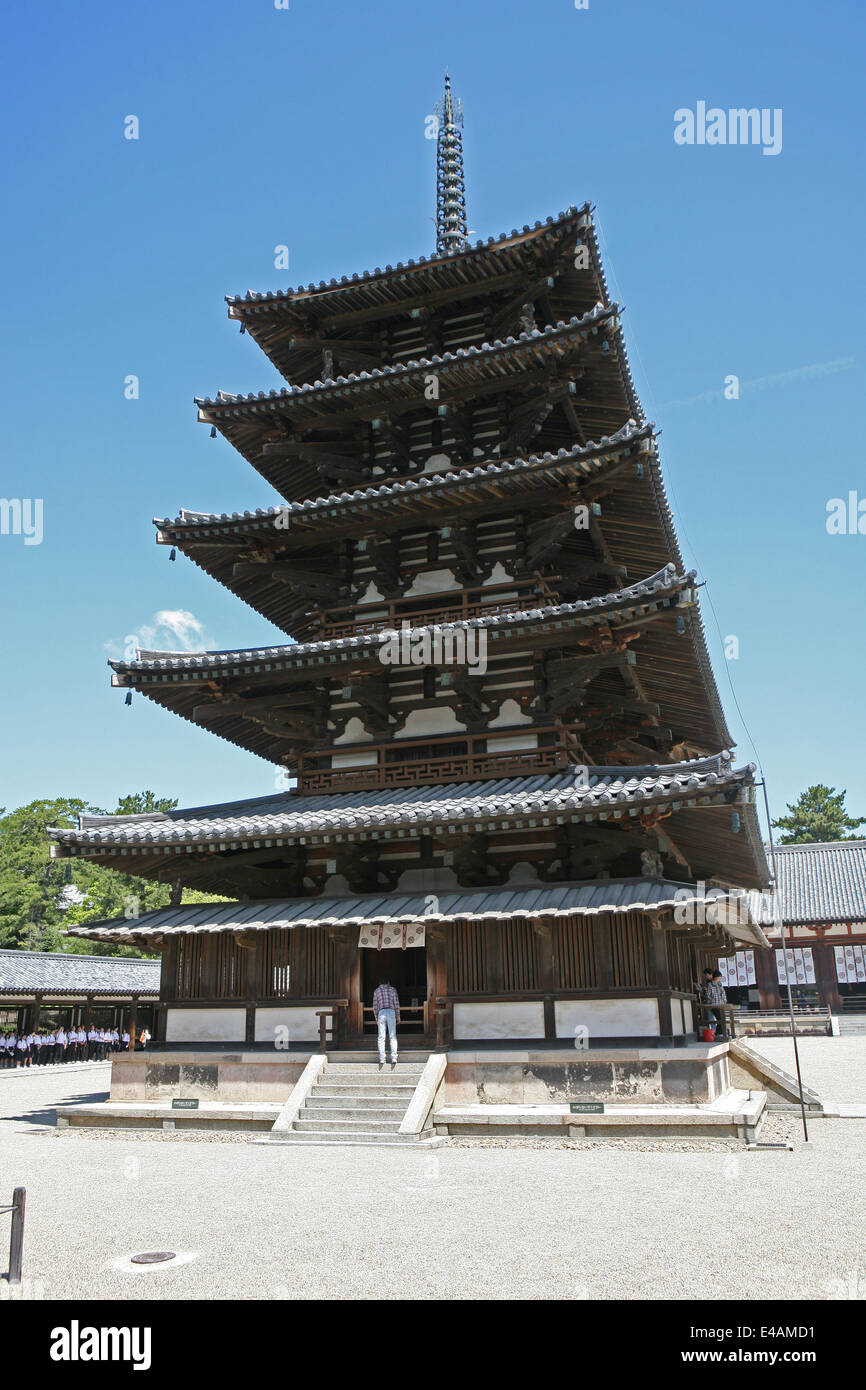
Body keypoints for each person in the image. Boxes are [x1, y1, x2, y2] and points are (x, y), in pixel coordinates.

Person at [372, 975, 400, 1070]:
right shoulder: (393, 990)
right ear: (388, 982)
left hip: (381, 1013)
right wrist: (398, 1015)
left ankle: (382, 1058)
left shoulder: (376, 991)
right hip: (391, 1012)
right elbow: (396, 1003)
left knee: (381, 1037)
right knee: (392, 1035)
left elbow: (375, 1006)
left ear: (379, 983)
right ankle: (394, 1057)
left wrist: (376, 1018)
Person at [703, 969, 728, 1040]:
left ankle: (719, 1033)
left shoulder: (720, 984)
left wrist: (724, 1000)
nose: (719, 979)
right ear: (715, 977)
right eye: (718, 978)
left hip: (720, 1004)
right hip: (714, 1005)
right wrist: (710, 999)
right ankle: (718, 1033)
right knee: (719, 1018)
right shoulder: (710, 984)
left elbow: (723, 993)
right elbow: (707, 995)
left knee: (722, 1018)